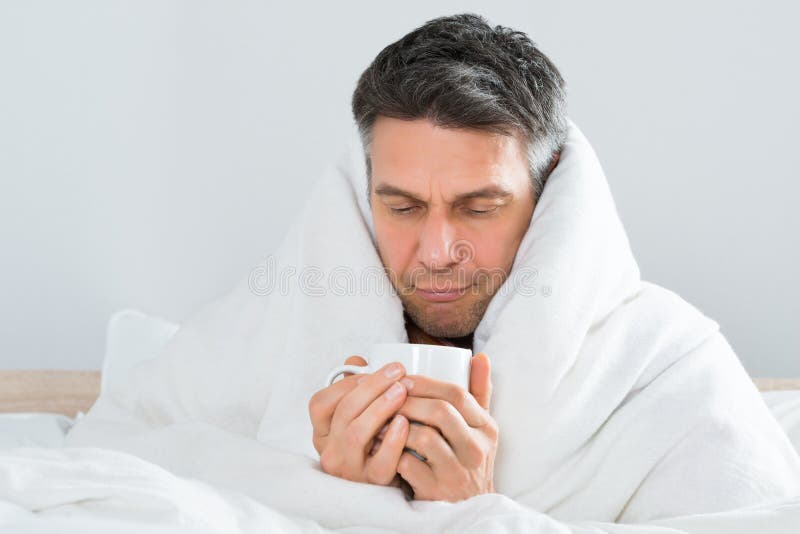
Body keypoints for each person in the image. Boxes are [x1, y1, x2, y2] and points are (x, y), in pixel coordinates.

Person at [309, 12, 567, 501]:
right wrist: (334, 500)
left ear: (548, 188)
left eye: (479, 207)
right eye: (402, 207)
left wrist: (477, 512)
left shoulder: (665, 372)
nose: (436, 254)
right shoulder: (245, 344)